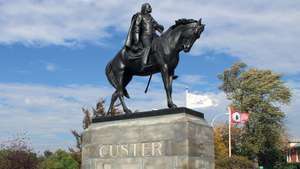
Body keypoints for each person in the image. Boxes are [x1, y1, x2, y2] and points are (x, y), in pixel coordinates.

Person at [125, 3, 164, 69]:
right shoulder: (140, 16)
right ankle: (144, 63)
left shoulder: (150, 17)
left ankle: (165, 64)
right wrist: (136, 40)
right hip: (145, 36)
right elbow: (136, 27)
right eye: (149, 7)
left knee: (162, 44)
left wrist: (159, 27)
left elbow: (156, 24)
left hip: (153, 36)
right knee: (148, 47)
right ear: (145, 8)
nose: (150, 8)